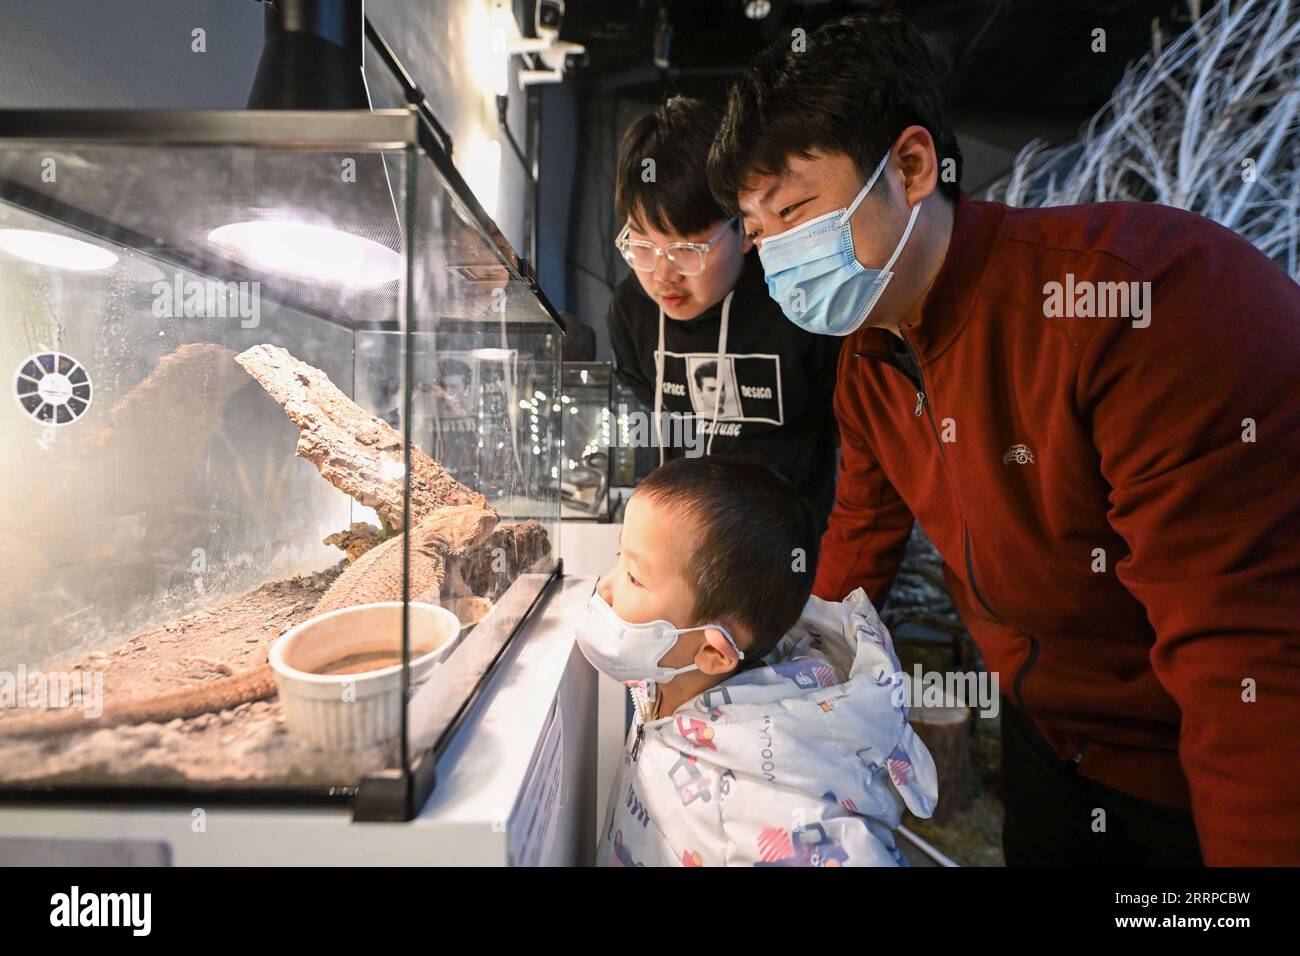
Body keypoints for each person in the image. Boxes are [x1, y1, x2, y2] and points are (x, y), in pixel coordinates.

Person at [707, 11, 1300, 866]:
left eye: (795, 211)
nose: (778, 257)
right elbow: (860, 545)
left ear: (911, 167)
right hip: (1046, 743)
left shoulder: (1138, 303)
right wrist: (768, 673)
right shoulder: (873, 359)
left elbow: (1249, 666)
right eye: (759, 234)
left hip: (1188, 766)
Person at [577, 455, 936, 867]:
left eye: (634, 576)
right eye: (619, 556)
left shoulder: (769, 803)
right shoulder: (664, 680)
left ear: (713, 652)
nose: (605, 586)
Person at [606, 95, 842, 534]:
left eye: (686, 250)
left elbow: (852, 442)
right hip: (686, 540)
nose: (662, 276)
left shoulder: (800, 305)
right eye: (641, 246)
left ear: (745, 228)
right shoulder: (631, 313)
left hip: (795, 542)